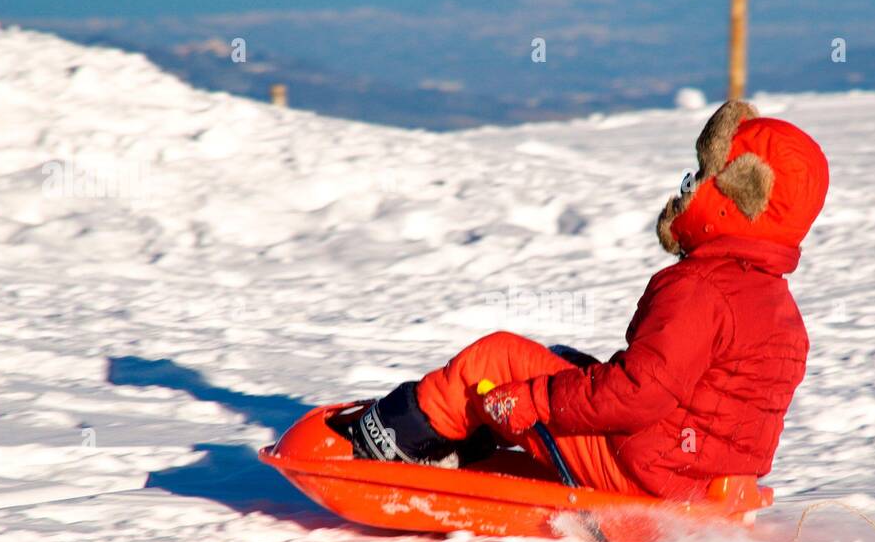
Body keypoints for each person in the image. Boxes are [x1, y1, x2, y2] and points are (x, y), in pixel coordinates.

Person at [349, 101, 829, 501]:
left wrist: (535, 399)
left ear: (734, 194)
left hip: (643, 472)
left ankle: (387, 445)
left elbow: (641, 393)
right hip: (703, 482)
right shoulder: (775, 303)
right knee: (562, 362)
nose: (687, 189)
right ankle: (464, 437)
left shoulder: (701, 288)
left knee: (494, 360)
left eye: (698, 178)